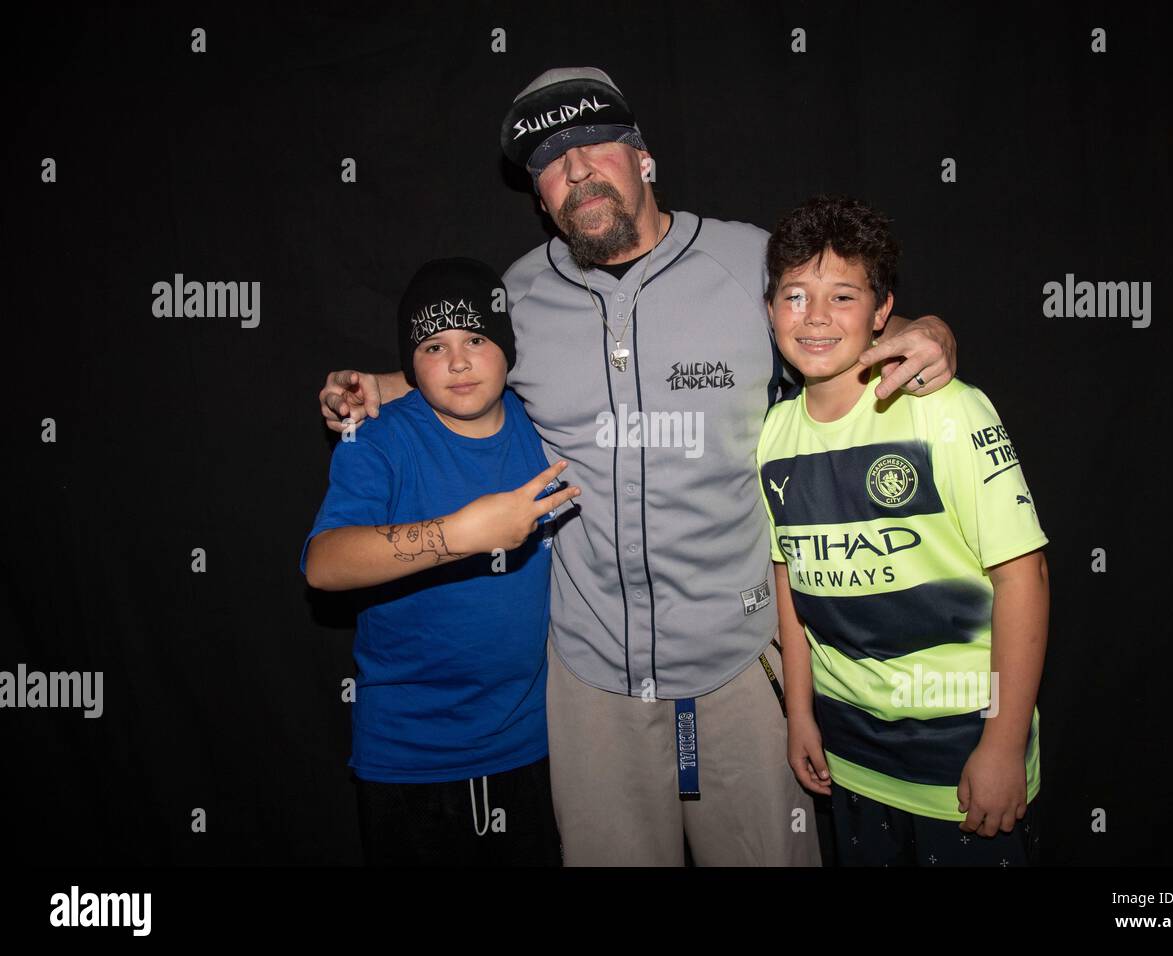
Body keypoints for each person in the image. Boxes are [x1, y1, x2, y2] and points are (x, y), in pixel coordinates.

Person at [317, 68, 958, 866]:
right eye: (549, 161)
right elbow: (462, 372)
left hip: (744, 668)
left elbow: (844, 332)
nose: (577, 169)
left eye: (594, 144)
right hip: (590, 684)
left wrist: (933, 326)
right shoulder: (516, 296)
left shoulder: (749, 262)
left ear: (643, 157)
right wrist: (379, 385)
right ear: (539, 197)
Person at [758, 195, 1049, 866]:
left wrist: (1003, 746)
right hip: (852, 758)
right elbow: (790, 580)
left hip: (963, 754)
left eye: (843, 296)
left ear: (883, 311)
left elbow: (1023, 575)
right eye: (795, 296)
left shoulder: (944, 411)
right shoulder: (774, 433)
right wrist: (798, 711)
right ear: (771, 308)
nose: (817, 318)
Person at [301, 257, 580, 866]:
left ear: (506, 348)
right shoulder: (378, 438)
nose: (457, 361)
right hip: (409, 757)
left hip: (528, 747)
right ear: (409, 362)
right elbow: (323, 564)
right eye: (434, 346)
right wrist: (461, 533)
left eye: (476, 339)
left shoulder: (546, 430)